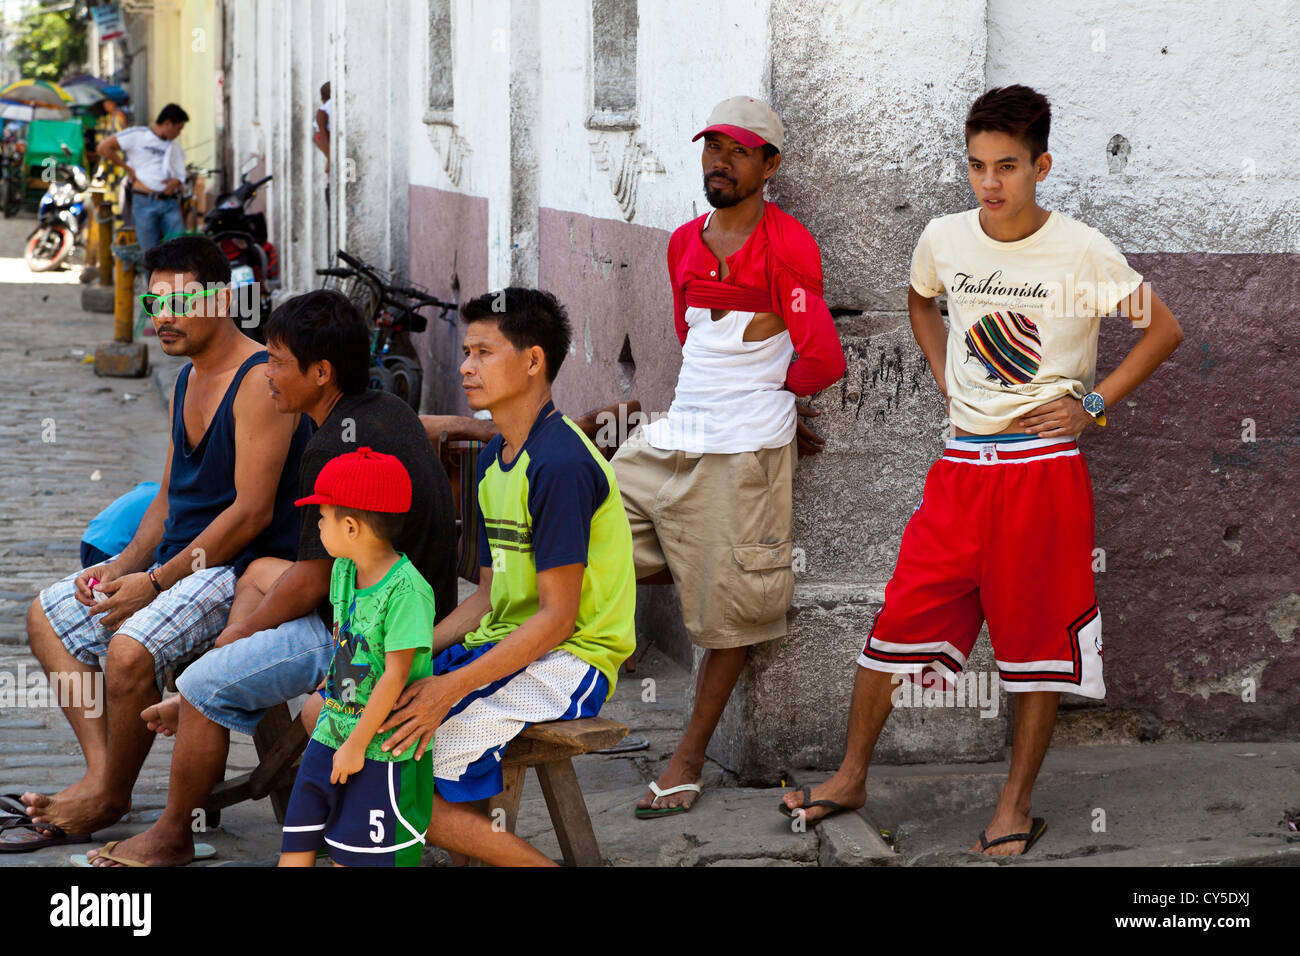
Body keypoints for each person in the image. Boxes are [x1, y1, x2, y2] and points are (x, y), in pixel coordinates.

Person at [781, 85, 1184, 855]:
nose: (990, 183)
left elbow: (1162, 330)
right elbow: (920, 300)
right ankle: (850, 775)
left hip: (1043, 472)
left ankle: (1014, 803)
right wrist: (943, 373)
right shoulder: (944, 237)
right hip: (962, 465)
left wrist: (1092, 405)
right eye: (977, 166)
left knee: (1032, 645)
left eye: (1007, 166)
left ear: (1042, 166)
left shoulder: (1082, 249)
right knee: (896, 622)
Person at [79, 289, 457, 867]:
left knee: (208, 680)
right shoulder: (381, 409)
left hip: (373, 630)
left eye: (278, 361)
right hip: (397, 592)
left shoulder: (332, 445)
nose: (269, 374)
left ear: (321, 372)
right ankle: (216, 692)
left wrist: (231, 641)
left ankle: (175, 828)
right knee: (256, 572)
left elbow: (311, 582)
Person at [6, 236, 309, 853]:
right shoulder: (184, 381)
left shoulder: (257, 380)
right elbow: (167, 499)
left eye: (177, 301)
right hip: (179, 564)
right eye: (154, 302)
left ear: (221, 299)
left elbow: (250, 514)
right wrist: (121, 567)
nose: (161, 316)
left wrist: (155, 582)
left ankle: (110, 796)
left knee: (127, 651)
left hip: (241, 571)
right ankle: (103, 776)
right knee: (49, 615)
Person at [609, 96, 846, 816]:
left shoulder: (788, 246)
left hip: (743, 455)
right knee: (580, 535)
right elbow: (694, 336)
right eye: (712, 144)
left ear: (771, 165)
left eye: (739, 149)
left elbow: (822, 358)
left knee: (731, 615)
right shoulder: (683, 242)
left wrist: (778, 402)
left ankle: (685, 760)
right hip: (674, 435)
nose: (720, 157)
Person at [369, 287, 636, 866]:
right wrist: (405, 647)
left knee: (396, 757)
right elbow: (487, 598)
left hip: (573, 659)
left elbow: (559, 618)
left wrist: (450, 686)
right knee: (347, 707)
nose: (466, 367)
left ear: (533, 360)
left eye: (483, 352)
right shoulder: (494, 461)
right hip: (509, 642)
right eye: (466, 352)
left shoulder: (561, 464)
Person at [279, 448, 435, 867]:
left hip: (379, 748)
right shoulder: (344, 571)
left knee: (355, 858)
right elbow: (345, 642)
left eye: (323, 516)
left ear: (351, 527)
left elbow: (394, 677)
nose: (317, 523)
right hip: (332, 728)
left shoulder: (408, 592)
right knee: (297, 840)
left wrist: (356, 746)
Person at [97, 103, 190, 252]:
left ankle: (177, 277)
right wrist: (128, 168)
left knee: (179, 252)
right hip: (144, 201)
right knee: (149, 254)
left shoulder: (173, 145)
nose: (178, 133)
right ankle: (150, 276)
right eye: (178, 129)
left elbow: (179, 171)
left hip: (170, 203)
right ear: (167, 124)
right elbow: (104, 147)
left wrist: (176, 181)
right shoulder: (138, 135)